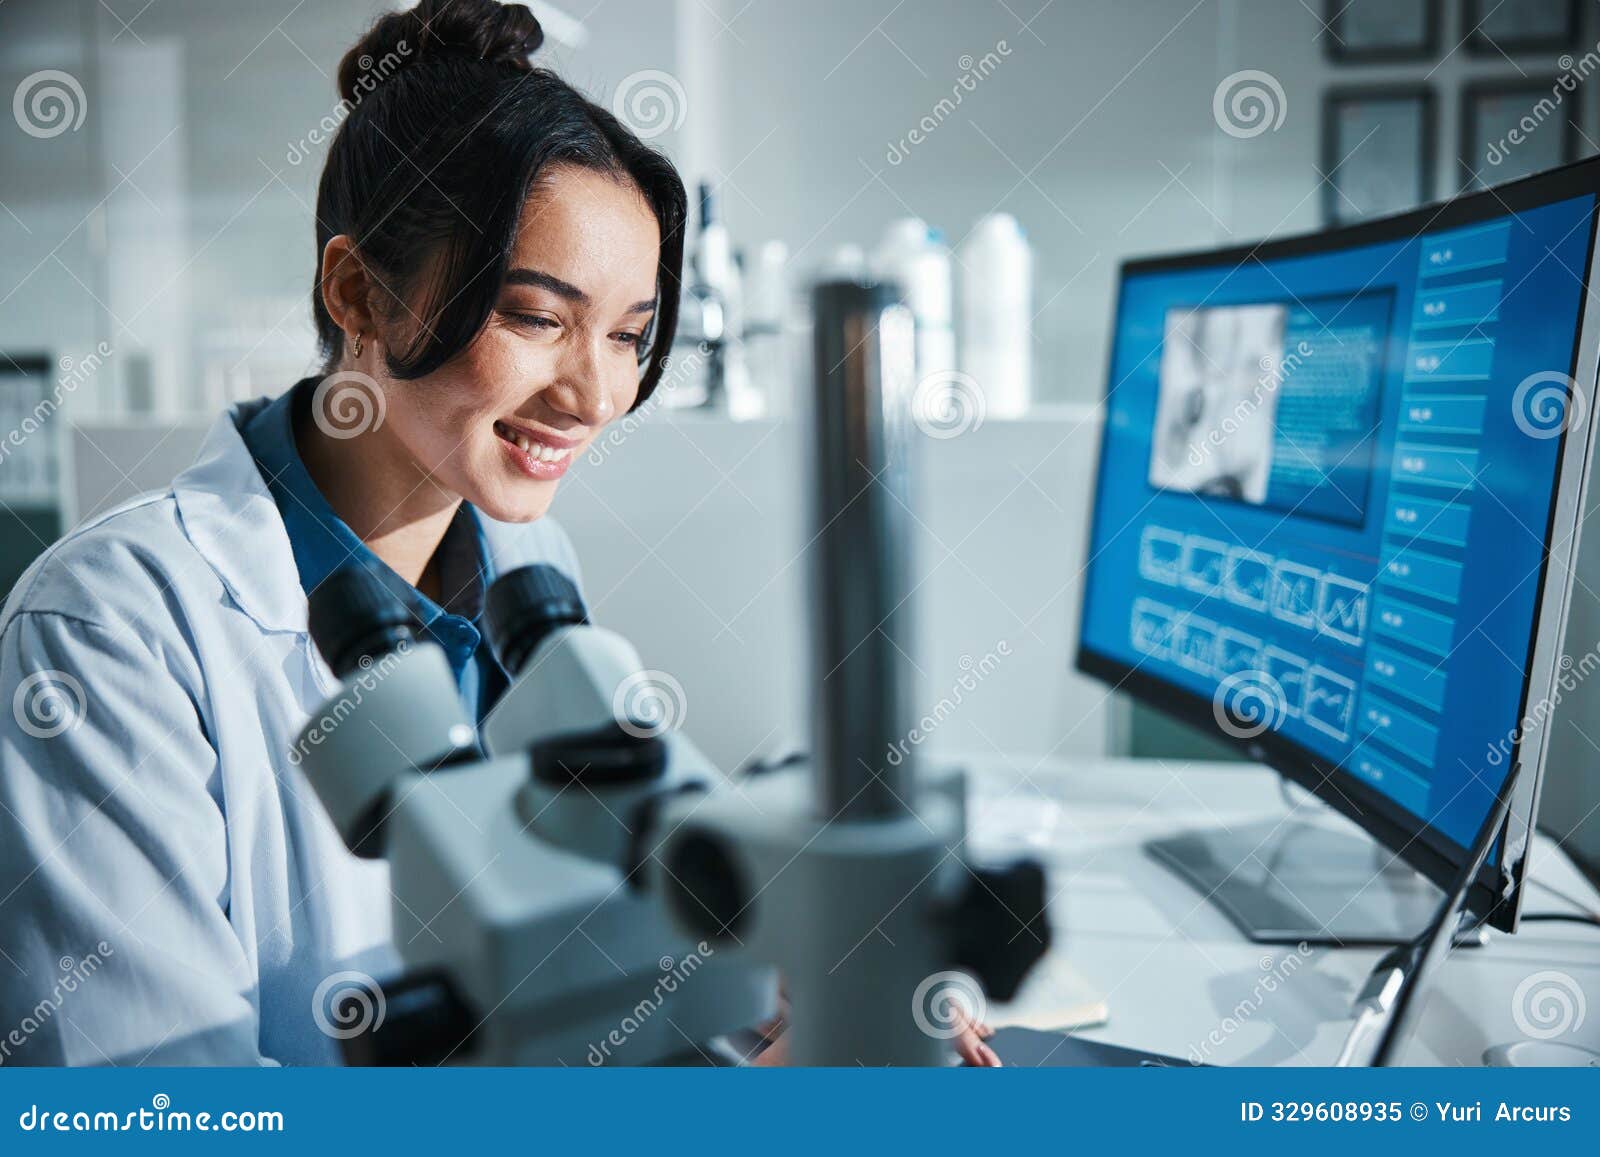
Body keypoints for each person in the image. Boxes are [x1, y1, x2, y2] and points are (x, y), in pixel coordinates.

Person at [0, 0, 998, 1067]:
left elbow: (607, 910)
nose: (592, 393)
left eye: (627, 336)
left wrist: (781, 959)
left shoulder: (521, 564)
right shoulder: (109, 630)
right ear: (358, 292)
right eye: (535, 317)